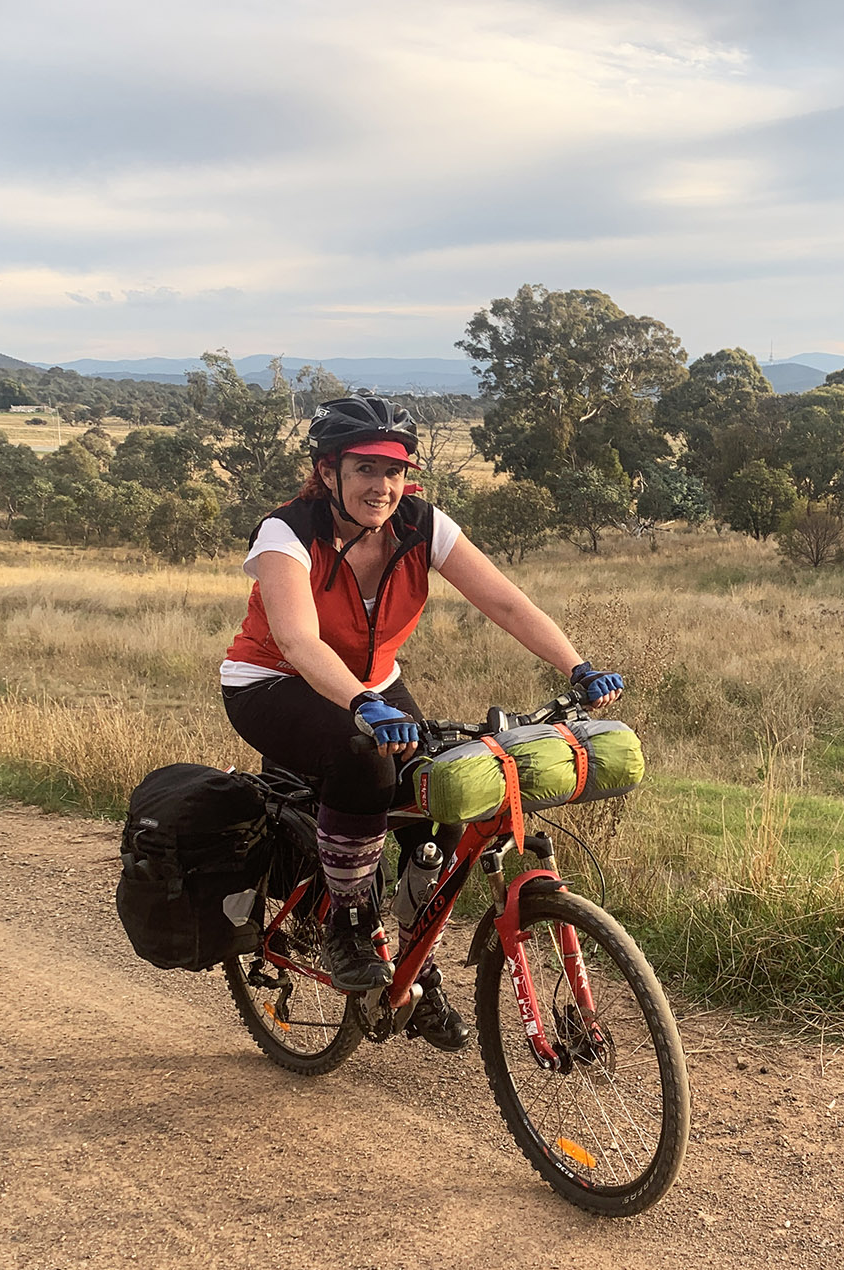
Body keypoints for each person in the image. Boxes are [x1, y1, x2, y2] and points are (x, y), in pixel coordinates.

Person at [220, 394, 622, 1050]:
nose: (381, 486)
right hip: (275, 683)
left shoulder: (421, 525)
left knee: (442, 797)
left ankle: (414, 970)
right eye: (364, 469)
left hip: (373, 686)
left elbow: (506, 602)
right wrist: (361, 705)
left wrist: (576, 665)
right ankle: (350, 925)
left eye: (394, 470)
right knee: (364, 764)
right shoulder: (287, 532)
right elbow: (297, 640)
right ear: (328, 471)